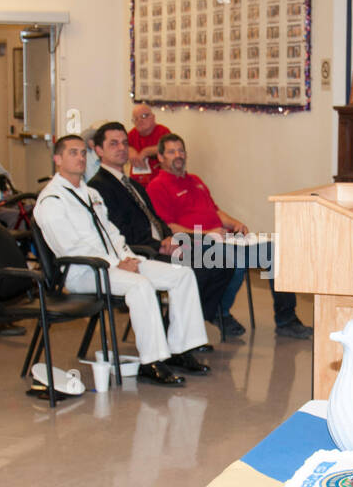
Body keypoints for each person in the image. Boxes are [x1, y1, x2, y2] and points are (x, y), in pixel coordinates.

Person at [33, 135, 211, 386]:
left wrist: (127, 257)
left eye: (83, 152)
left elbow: (112, 232)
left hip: (116, 262)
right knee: (140, 285)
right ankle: (151, 361)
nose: (81, 158)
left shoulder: (91, 193)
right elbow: (69, 247)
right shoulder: (51, 201)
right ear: (57, 159)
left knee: (181, 275)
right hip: (84, 272)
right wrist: (114, 263)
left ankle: (180, 349)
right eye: (73, 153)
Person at [146, 134, 313, 340]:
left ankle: (287, 319)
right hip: (192, 243)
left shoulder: (195, 180)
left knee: (274, 251)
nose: (178, 155)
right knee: (235, 259)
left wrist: (234, 223)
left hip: (222, 238)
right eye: (172, 152)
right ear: (160, 157)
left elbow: (215, 212)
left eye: (181, 150)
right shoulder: (157, 186)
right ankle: (220, 312)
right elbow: (169, 227)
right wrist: (207, 234)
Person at [85, 122, 231, 328]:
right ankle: (173, 330)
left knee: (222, 262)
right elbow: (118, 230)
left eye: (125, 143)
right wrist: (158, 245)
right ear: (99, 150)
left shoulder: (132, 184)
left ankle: (189, 325)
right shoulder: (98, 187)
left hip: (162, 244)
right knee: (201, 269)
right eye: (113, 144)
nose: (121, 148)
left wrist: (168, 236)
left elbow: (155, 218)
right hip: (139, 252)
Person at [126, 104, 172, 187]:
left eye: (144, 116)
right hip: (137, 184)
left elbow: (169, 148)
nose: (140, 120)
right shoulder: (132, 134)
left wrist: (146, 152)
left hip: (159, 184)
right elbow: (120, 147)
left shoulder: (163, 131)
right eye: (136, 119)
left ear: (153, 117)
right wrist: (129, 150)